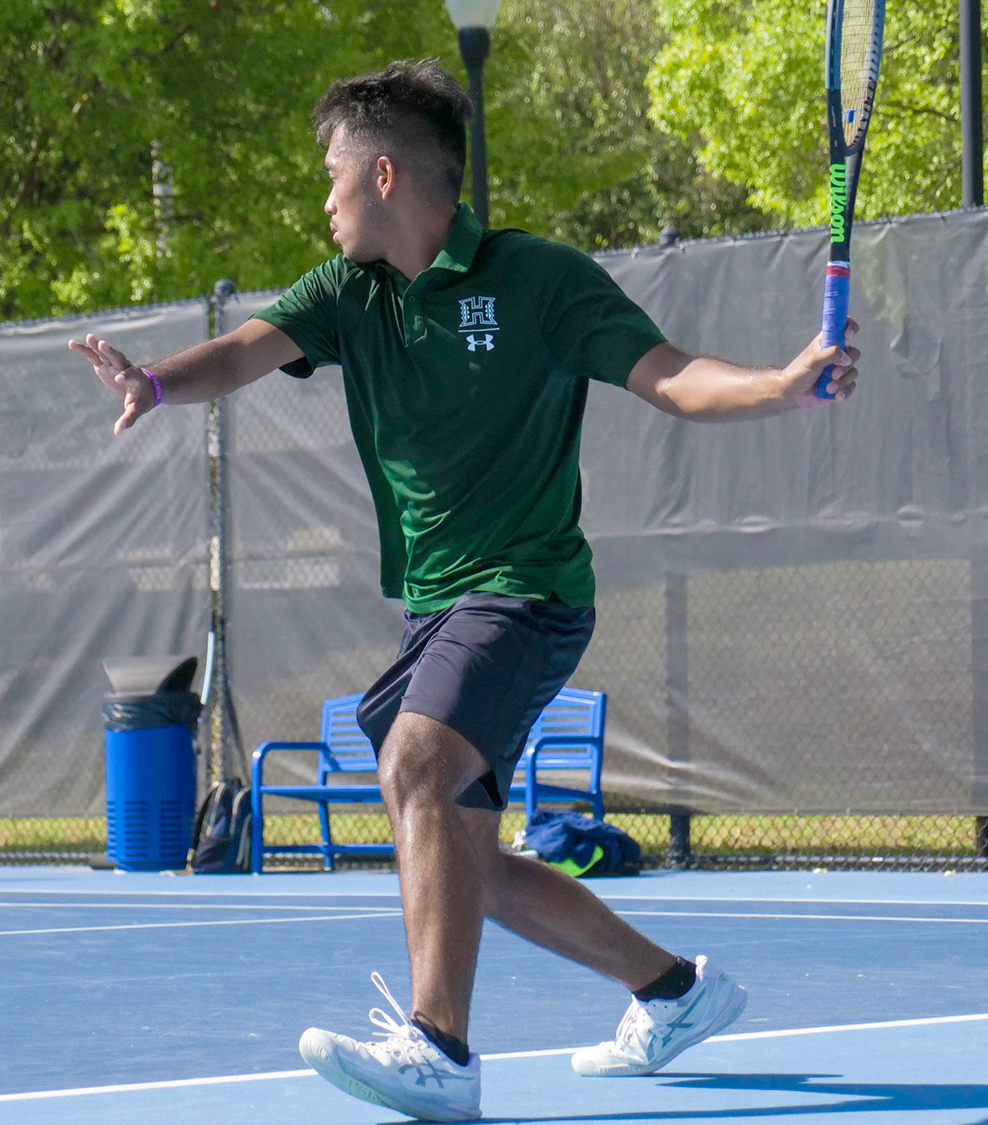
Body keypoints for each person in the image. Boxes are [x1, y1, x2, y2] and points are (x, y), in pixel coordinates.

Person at [70, 58, 858, 1124]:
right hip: (434, 606)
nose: (323, 198)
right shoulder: (347, 294)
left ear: (383, 174)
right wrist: (155, 383)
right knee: (455, 856)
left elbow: (667, 374)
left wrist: (776, 382)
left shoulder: (536, 280)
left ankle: (438, 1052)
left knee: (418, 764)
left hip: (525, 591)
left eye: (330, 176)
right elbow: (241, 354)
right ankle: (673, 992)